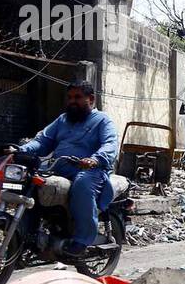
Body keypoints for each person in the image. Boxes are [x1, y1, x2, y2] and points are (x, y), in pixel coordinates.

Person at [20, 81, 119, 256]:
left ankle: (82, 240)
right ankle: (27, 235)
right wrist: (21, 150)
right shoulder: (62, 120)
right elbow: (43, 141)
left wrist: (94, 160)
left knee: (82, 184)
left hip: (90, 171)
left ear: (91, 99)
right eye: (70, 97)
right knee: (30, 181)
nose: (72, 101)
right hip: (58, 167)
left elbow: (110, 145)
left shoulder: (103, 120)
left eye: (78, 97)